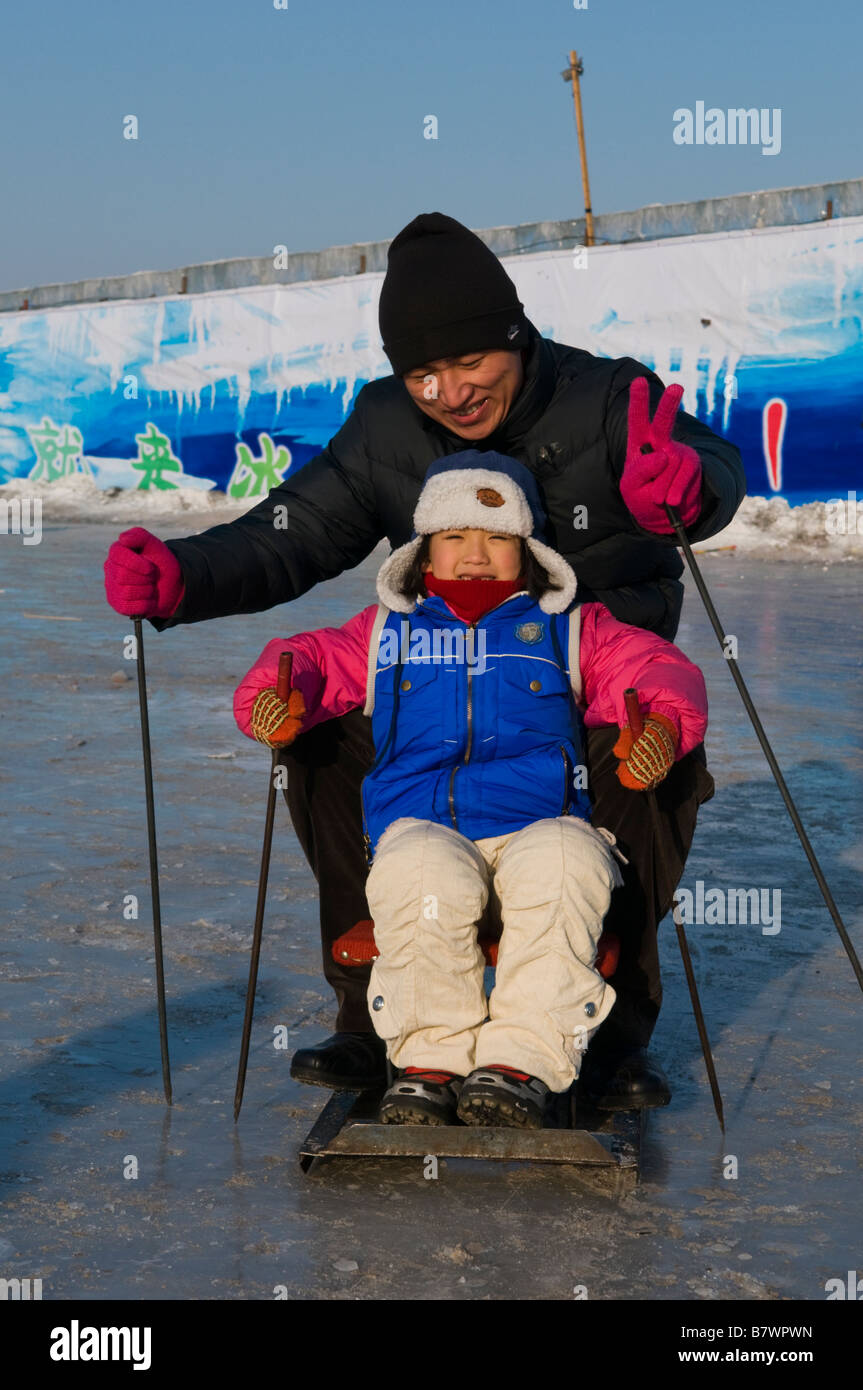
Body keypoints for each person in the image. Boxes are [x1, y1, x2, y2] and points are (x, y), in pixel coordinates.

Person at [104, 210, 737, 1107]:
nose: (447, 392)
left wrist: (685, 488)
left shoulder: (603, 399)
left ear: (513, 334)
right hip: (434, 681)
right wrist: (183, 578)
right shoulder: (386, 426)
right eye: (422, 372)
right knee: (320, 744)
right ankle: (373, 1018)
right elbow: (298, 530)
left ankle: (606, 1035)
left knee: (649, 765)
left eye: (468, 363)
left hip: (595, 679)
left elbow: (710, 464)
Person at [232, 452, 709, 1127]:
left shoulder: (568, 628)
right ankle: (430, 1061)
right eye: (455, 537)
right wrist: (277, 699)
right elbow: (308, 659)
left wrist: (658, 723)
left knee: (567, 865)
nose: (475, 556)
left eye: (496, 538)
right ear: (425, 548)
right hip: (421, 824)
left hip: (537, 823)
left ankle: (522, 1061)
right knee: (421, 879)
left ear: (529, 551)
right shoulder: (384, 634)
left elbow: (655, 666)